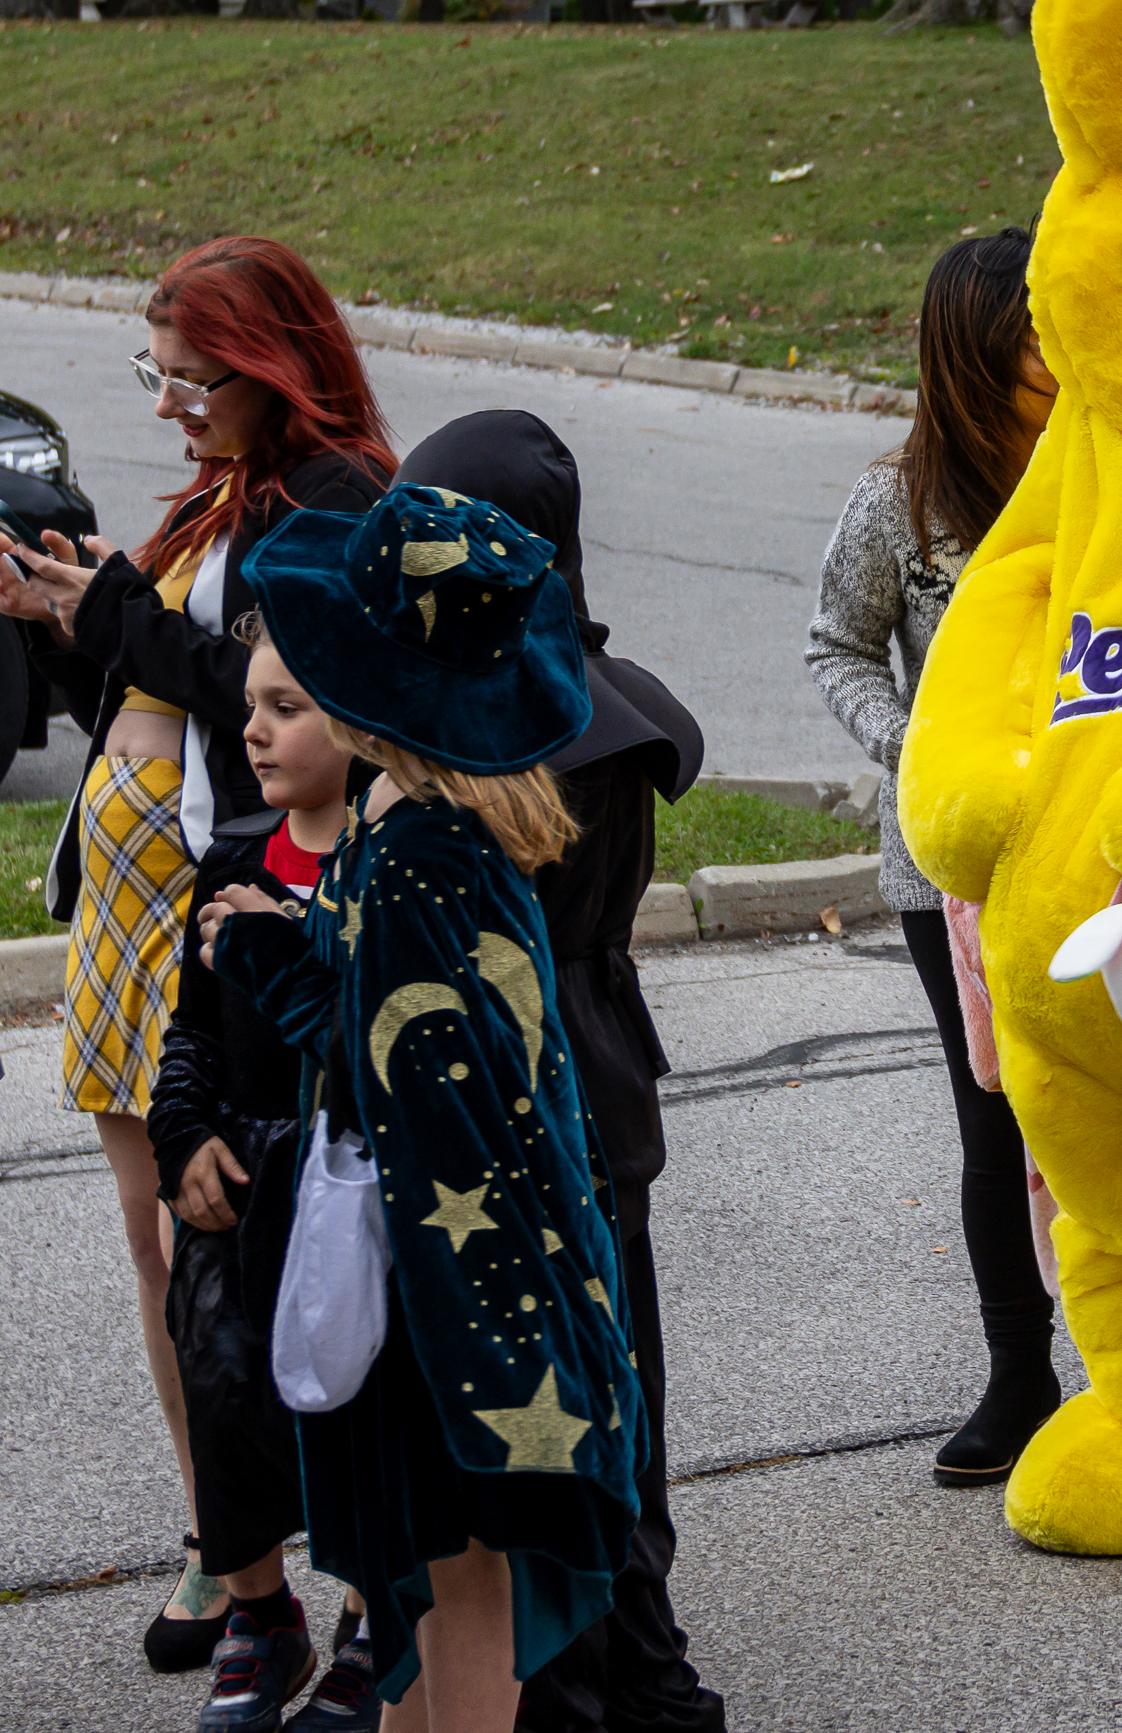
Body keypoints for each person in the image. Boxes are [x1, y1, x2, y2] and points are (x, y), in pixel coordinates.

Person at [0, 236, 398, 1668]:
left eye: (190, 379)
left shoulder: (335, 500)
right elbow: (177, 680)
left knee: (283, 1235)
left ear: (272, 369)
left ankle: (351, 1584)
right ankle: (236, 1558)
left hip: (256, 889)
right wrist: (79, 617)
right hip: (161, 894)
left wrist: (119, 617)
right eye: (152, 376)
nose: (166, 405)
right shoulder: (228, 492)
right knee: (174, 1241)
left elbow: (289, 695)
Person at [202, 483, 647, 1732]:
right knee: (459, 1596)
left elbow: (401, 1086)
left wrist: (266, 963)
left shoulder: (408, 856)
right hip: (495, 1275)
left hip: (449, 1306)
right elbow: (412, 1037)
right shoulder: (437, 827)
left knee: (460, 1588)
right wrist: (299, 952)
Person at [397, 411, 722, 1733]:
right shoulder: (588, 694)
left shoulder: (507, 727)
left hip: (530, 1098)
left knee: (557, 1416)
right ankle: (645, 1671)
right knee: (616, 1390)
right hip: (605, 1074)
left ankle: (582, 1689)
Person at [805, 230, 1060, 1487]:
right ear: (971, 353)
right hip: (952, 865)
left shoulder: (1115, 475)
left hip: (1100, 845)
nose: (1054, 354)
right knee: (998, 1123)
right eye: (1030, 333)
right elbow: (834, 647)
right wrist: (915, 746)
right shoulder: (897, 505)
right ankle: (1021, 1379)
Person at [148, 618, 366, 1731]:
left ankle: (380, 1617)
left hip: (342, 1186)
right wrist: (180, 1131)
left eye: (288, 708)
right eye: (252, 706)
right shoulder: (234, 856)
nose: (255, 729)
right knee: (224, 1386)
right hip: (236, 1181)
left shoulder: (384, 865)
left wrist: (299, 941)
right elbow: (186, 1028)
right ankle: (260, 1613)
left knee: (359, 1404)